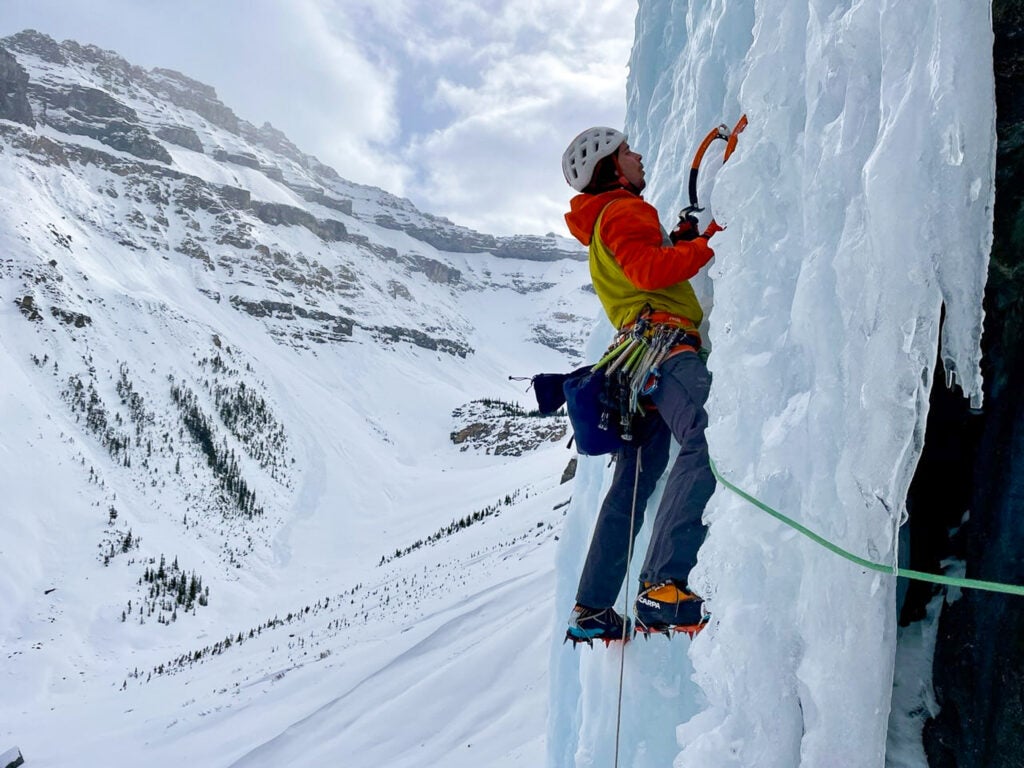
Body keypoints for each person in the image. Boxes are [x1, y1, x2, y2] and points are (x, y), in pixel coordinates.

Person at [561, 127, 721, 644]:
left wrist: (677, 241)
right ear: (611, 168)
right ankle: (662, 584)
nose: (638, 156)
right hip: (666, 349)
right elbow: (649, 270)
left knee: (631, 484)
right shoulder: (625, 210)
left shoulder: (602, 225)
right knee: (708, 435)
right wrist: (699, 247)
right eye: (628, 152)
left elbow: (642, 265)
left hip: (634, 366)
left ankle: (592, 606)